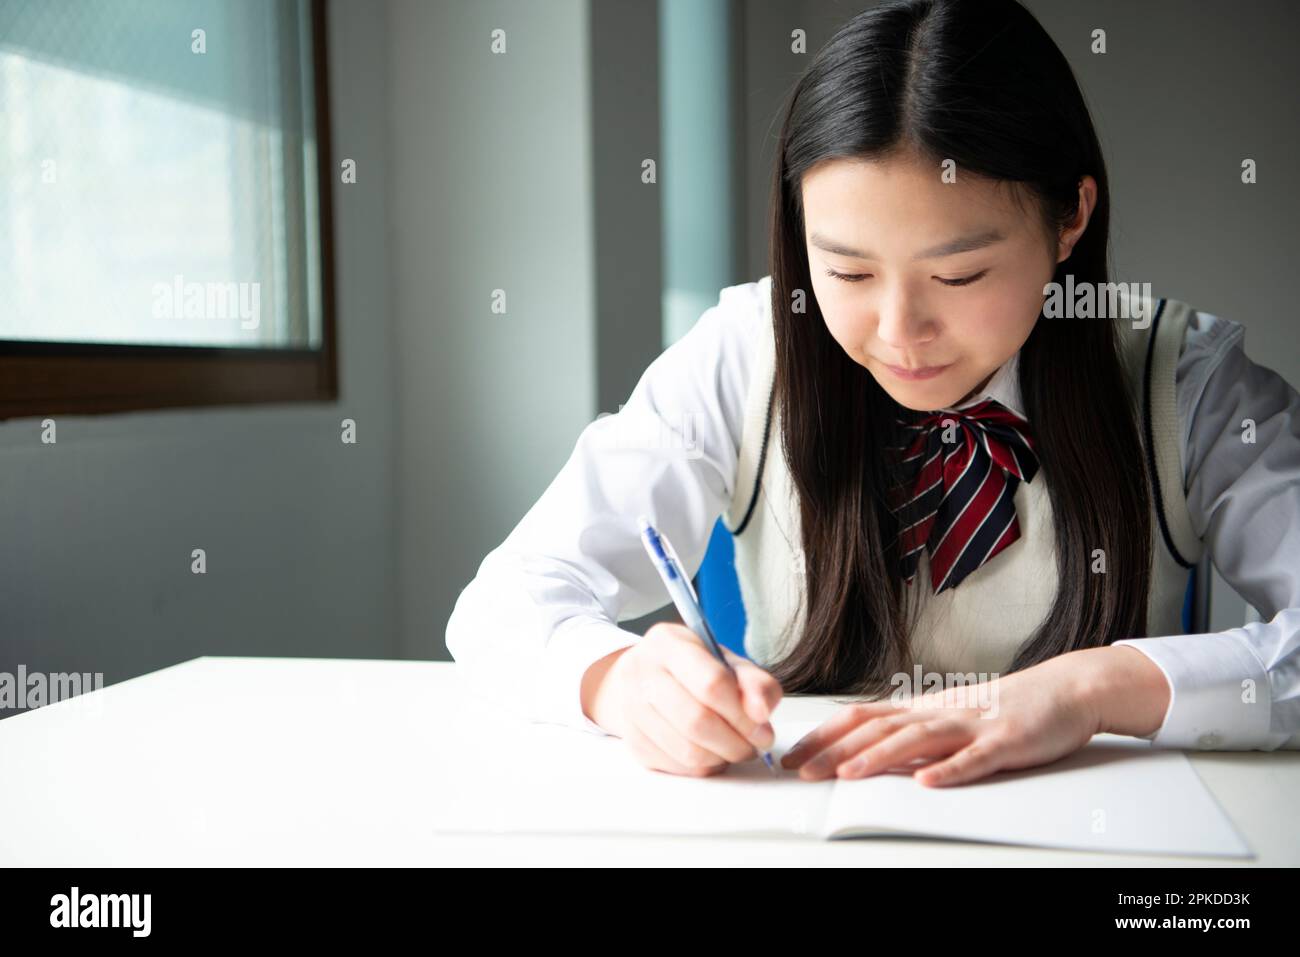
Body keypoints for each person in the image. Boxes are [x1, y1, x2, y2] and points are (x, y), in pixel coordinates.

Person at [445, 0, 1300, 785]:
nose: (898, 331)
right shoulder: (746, 353)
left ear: (1072, 216)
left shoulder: (1186, 379)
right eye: (847, 269)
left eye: (959, 273)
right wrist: (617, 680)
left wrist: (1093, 687)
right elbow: (505, 602)